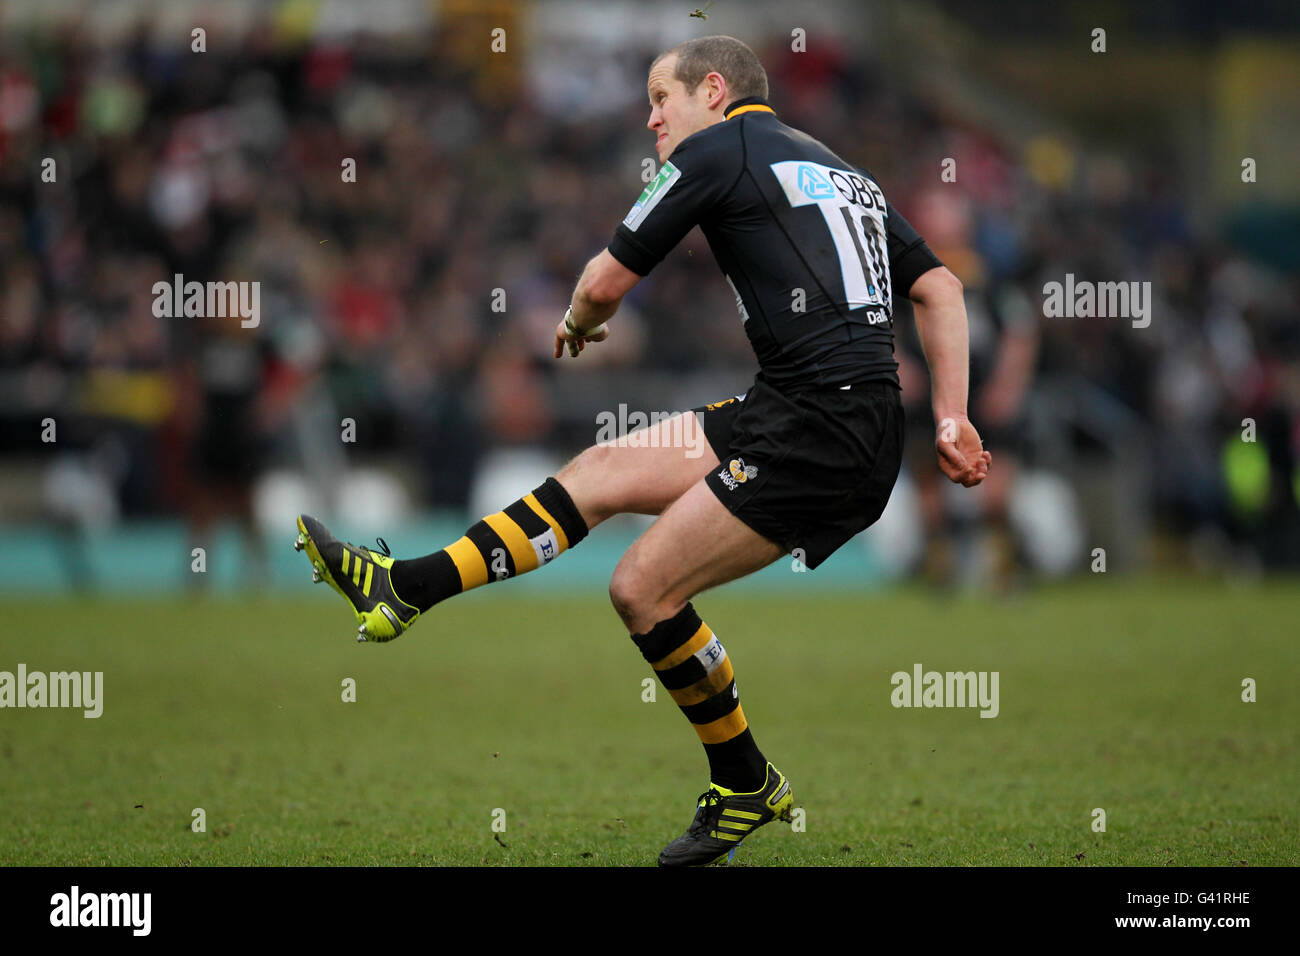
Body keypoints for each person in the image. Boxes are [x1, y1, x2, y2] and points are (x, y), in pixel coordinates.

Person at [295, 35, 991, 867]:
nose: (653, 119)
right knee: (600, 473)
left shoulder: (714, 151)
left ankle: (745, 782)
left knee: (640, 588)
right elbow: (940, 287)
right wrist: (950, 415)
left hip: (822, 430)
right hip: (809, 408)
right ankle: (405, 586)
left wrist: (581, 323)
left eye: (662, 98)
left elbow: (599, 285)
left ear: (715, 90)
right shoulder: (838, 168)